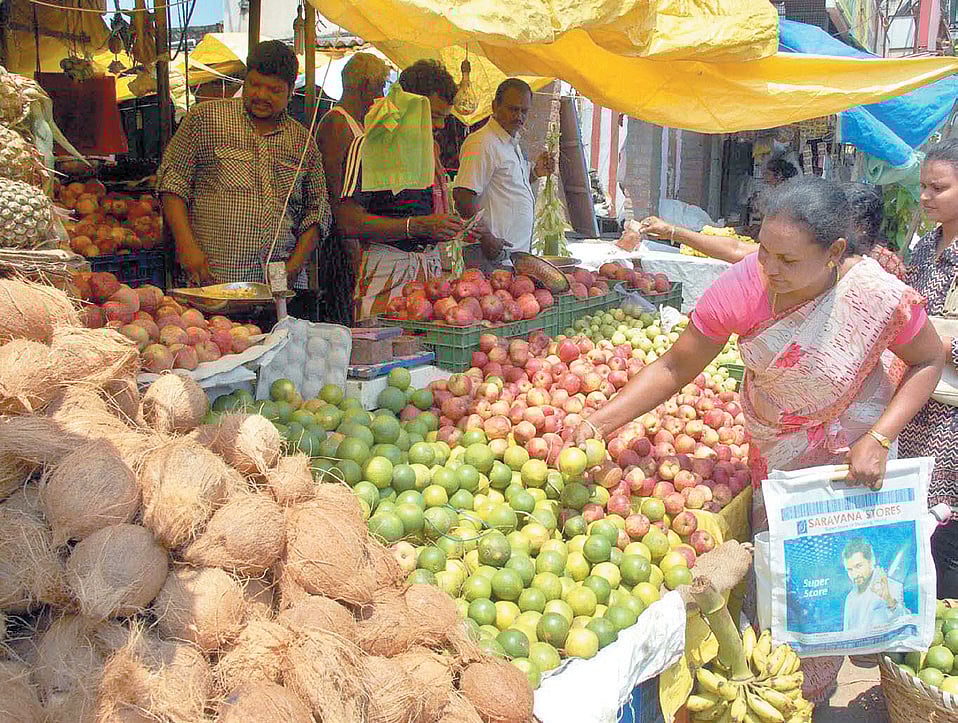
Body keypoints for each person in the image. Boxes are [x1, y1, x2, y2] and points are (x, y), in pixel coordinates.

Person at [574, 177, 943, 702]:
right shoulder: (747, 285)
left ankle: (811, 698)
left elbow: (928, 360)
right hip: (781, 456)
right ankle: (784, 694)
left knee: (839, 596)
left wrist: (882, 437)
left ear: (836, 252)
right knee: (786, 595)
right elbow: (677, 365)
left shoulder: (876, 295)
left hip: (857, 463)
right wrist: (598, 423)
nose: (769, 269)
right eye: (764, 251)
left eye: (787, 261)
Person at [158, 40, 331, 316]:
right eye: (254, 84)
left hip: (278, 296)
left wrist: (293, 268)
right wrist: (186, 245)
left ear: (291, 91)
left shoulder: (302, 141)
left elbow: (318, 211)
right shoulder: (206, 119)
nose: (261, 95)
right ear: (245, 81)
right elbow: (173, 183)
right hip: (212, 284)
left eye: (274, 90)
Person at [335, 59, 470, 320]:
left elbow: (427, 213)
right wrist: (416, 227)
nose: (440, 126)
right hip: (387, 269)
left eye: (444, 118)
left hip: (430, 271)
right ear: (408, 106)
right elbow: (347, 222)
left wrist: (452, 225)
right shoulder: (367, 147)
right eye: (433, 116)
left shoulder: (431, 150)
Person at [899, 139, 958, 598]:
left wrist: (941, 345)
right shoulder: (924, 249)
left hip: (951, 418)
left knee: (948, 529)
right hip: (917, 404)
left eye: (937, 188)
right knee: (918, 520)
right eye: (922, 186)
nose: (924, 197)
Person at [638, 183, 906, 280]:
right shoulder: (815, 252)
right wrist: (673, 231)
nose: (773, 269)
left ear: (860, 226)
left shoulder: (882, 272)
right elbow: (738, 251)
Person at [314, 53, 390, 325]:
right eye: (379, 87)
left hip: (356, 235)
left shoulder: (359, 123)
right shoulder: (337, 123)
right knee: (346, 314)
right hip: (342, 240)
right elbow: (335, 191)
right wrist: (352, 246)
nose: (381, 94)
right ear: (363, 86)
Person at [453, 78, 555, 270]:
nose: (519, 116)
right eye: (512, 109)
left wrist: (535, 172)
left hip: (512, 257)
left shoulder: (510, 142)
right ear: (494, 107)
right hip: (491, 256)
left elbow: (507, 184)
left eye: (524, 111)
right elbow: (463, 195)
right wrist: (487, 238)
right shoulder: (482, 143)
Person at [841, 538, 905, 632]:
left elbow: (906, 624)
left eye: (858, 566)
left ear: (871, 561)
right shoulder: (850, 598)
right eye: (849, 570)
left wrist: (889, 600)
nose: (854, 574)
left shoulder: (893, 586)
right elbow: (846, 633)